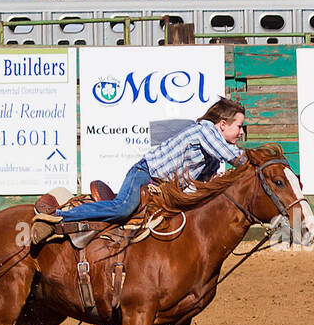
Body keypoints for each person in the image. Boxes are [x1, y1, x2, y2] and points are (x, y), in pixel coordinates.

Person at [32, 96, 248, 237]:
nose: (240, 132)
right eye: (238, 126)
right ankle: (58, 216)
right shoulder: (206, 130)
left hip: (166, 188)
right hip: (146, 174)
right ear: (222, 124)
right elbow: (236, 157)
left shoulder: (213, 155)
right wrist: (256, 162)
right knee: (122, 209)